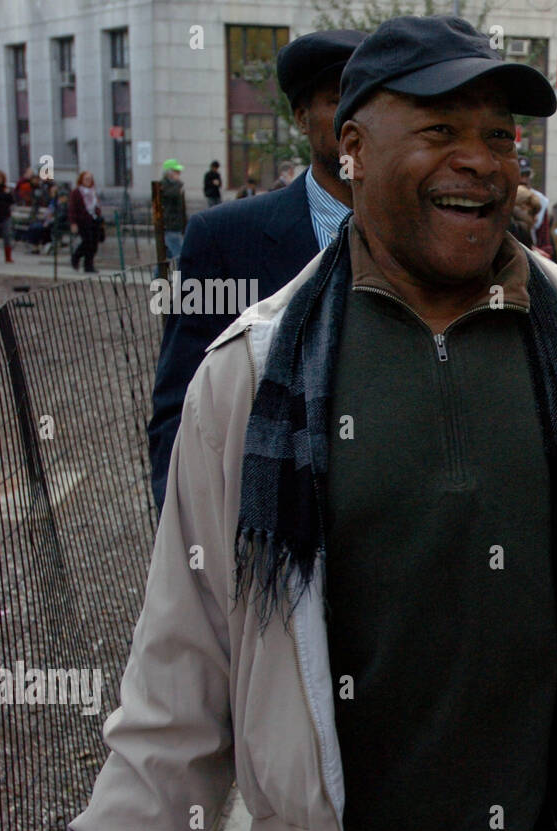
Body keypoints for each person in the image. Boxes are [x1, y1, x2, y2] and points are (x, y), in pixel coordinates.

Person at [74, 14, 557, 831]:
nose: (481, 159)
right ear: (354, 150)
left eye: (498, 135)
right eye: (440, 129)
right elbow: (181, 660)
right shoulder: (252, 375)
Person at [147, 29, 366, 510]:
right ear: (301, 117)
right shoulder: (222, 240)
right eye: (338, 99)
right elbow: (180, 404)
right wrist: (185, 536)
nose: (356, 116)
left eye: (371, 99)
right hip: (267, 525)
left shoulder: (423, 240)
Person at [68, 170, 104, 273]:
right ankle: (76, 257)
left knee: (94, 244)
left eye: (90, 179)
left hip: (93, 219)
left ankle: (89, 265)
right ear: (81, 180)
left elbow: (96, 205)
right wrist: (73, 223)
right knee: (87, 242)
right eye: (86, 179)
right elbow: (72, 208)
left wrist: (98, 214)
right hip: (82, 220)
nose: (88, 181)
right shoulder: (76, 192)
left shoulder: (93, 191)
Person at [158, 159, 187, 262]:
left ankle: (157, 277)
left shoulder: (175, 186)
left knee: (167, 256)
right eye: (176, 172)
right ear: (169, 173)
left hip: (175, 225)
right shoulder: (164, 186)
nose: (179, 174)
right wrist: (179, 185)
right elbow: (170, 195)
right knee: (180, 257)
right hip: (171, 226)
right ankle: (178, 278)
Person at [0, 170, 13, 263]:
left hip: (5, 215)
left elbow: (11, 201)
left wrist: (8, 193)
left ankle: (8, 257)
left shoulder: (5, 189)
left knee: (7, 235)